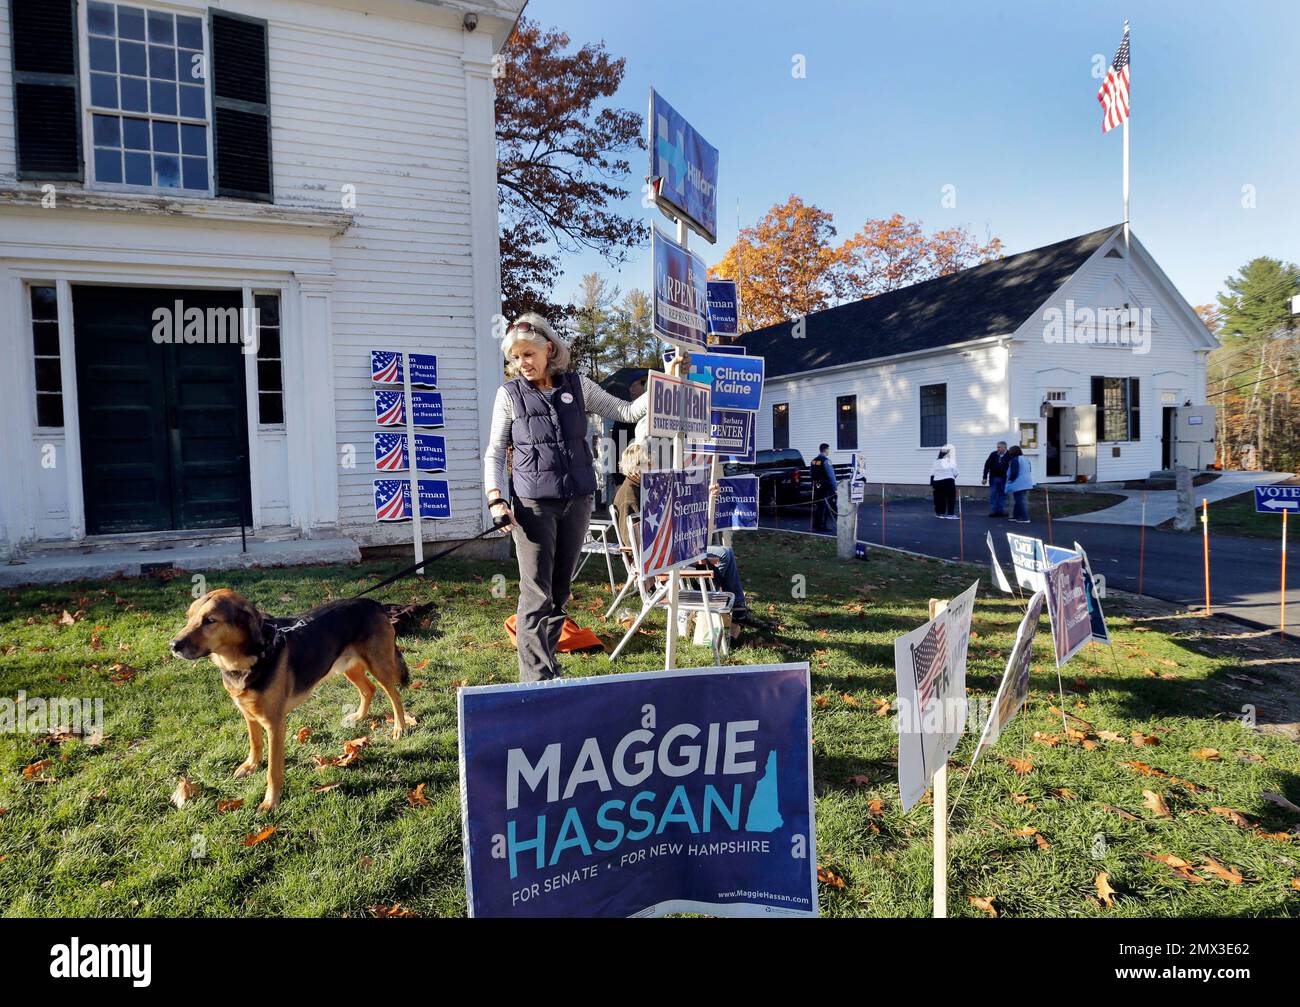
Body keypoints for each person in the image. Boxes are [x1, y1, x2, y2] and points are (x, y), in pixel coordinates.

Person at [484, 313, 649, 682]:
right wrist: (496, 497)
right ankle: (538, 681)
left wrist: (669, 379)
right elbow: (495, 451)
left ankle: (549, 664)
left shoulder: (579, 385)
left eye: (528, 354)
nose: (522, 363)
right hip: (532, 505)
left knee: (559, 592)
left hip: (578, 501)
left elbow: (624, 410)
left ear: (549, 349)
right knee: (536, 593)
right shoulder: (509, 395)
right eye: (515, 357)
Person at [614, 440, 769, 631]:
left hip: (672, 546)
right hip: (659, 559)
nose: (653, 467)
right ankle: (704, 603)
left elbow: (680, 502)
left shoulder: (643, 487)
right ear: (635, 466)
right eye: (648, 463)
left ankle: (736, 609)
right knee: (722, 556)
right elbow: (633, 541)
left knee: (725, 552)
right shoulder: (630, 495)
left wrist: (707, 495)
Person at [1004, 444, 1035, 523]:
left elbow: (1014, 472)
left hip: (1018, 483)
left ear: (1013, 452)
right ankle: (1015, 516)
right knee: (1019, 500)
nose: (1009, 452)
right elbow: (1029, 469)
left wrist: (1011, 479)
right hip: (1027, 482)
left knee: (1019, 500)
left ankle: (1025, 518)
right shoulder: (1026, 459)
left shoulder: (1015, 460)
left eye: (1010, 451)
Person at [810, 443, 837, 532]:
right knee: (825, 506)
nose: (829, 451)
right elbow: (831, 476)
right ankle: (822, 525)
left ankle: (816, 524)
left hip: (817, 486)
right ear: (825, 450)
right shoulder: (826, 461)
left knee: (819, 505)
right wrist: (835, 488)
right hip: (825, 486)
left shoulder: (814, 461)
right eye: (828, 450)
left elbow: (811, 474)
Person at [981, 440, 1010, 517]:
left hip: (1004, 478)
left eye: (999, 447)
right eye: (997, 447)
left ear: (1004, 447)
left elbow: (1012, 467)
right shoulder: (993, 454)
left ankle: (1001, 511)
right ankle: (993, 511)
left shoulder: (1009, 455)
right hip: (994, 478)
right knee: (993, 494)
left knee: (1002, 494)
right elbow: (987, 466)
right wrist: (984, 477)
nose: (997, 449)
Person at [929, 444, 958, 518]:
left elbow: (932, 473)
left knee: (939, 497)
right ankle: (950, 514)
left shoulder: (935, 462)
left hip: (937, 481)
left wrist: (932, 484)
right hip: (948, 481)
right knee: (950, 497)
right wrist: (952, 477)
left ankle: (939, 513)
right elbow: (955, 473)